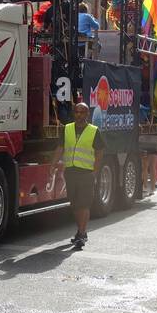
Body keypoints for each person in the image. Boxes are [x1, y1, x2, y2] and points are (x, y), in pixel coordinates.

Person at [52, 102, 104, 249]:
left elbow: (99, 153)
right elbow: (60, 147)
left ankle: (81, 234)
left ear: (87, 114)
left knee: (84, 204)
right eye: (76, 112)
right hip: (71, 172)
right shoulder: (67, 129)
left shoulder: (94, 131)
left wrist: (95, 171)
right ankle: (81, 231)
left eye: (82, 112)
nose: (79, 115)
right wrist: (53, 164)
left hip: (86, 173)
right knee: (75, 204)